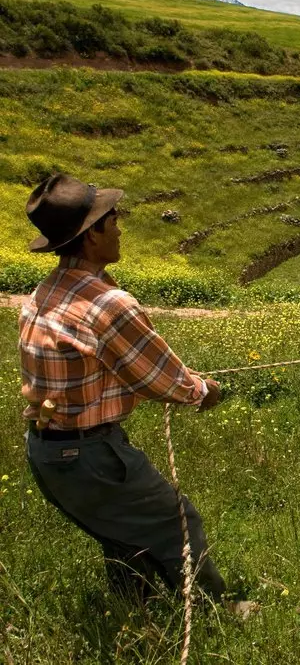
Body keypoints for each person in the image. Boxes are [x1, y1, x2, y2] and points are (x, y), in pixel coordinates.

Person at [18, 173, 252, 615]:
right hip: (91, 455)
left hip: (48, 451)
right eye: (112, 219)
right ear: (91, 237)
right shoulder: (108, 303)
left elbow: (95, 371)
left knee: (120, 532)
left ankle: (135, 610)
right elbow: (164, 381)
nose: (120, 226)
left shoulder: (43, 293)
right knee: (177, 523)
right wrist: (204, 390)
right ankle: (214, 612)